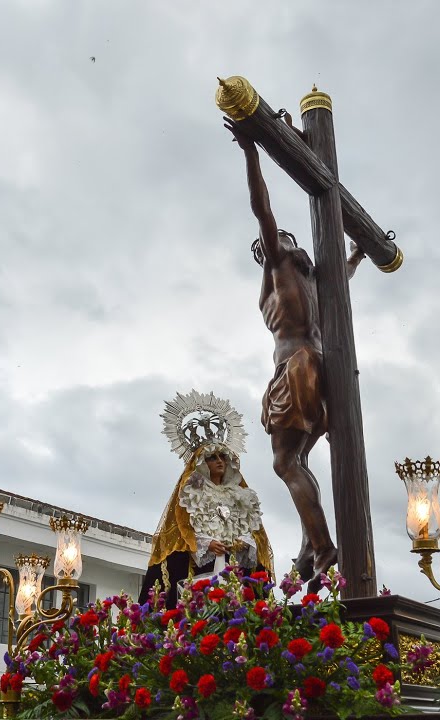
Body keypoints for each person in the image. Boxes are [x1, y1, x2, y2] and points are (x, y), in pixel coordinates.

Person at [224, 117, 368, 590]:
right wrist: (356, 254)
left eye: (270, 241)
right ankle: (311, 544)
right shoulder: (314, 279)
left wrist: (250, 149)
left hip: (297, 367)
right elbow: (342, 277)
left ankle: (324, 546)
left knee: (284, 464)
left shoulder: (281, 267)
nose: (268, 245)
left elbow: (260, 207)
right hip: (326, 367)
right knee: (299, 459)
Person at [142, 392, 275, 609]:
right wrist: (205, 544)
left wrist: (242, 543)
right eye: (213, 457)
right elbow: (182, 530)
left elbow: (254, 533)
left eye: (223, 457)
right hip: (202, 566)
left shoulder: (240, 494)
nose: (219, 461)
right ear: (203, 463)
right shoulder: (192, 492)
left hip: (235, 566)